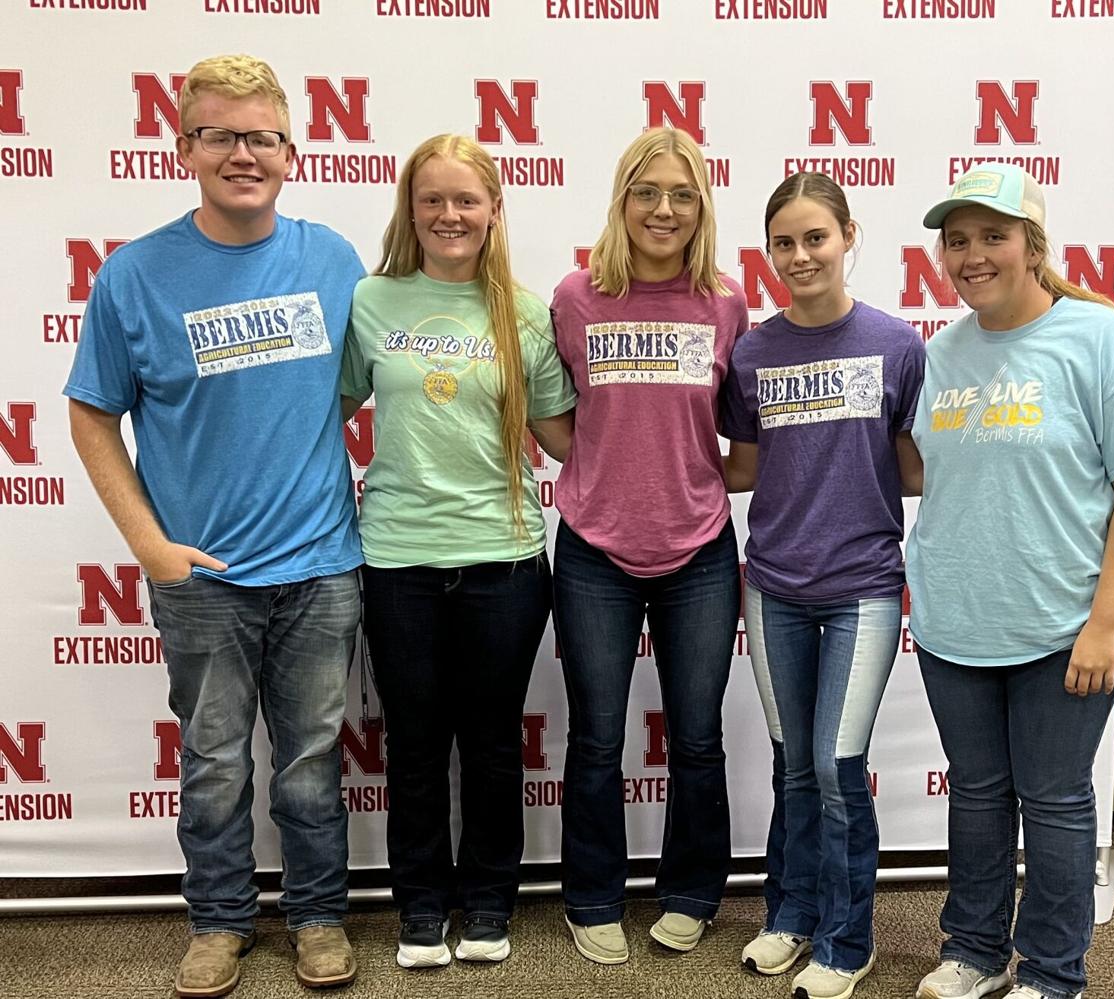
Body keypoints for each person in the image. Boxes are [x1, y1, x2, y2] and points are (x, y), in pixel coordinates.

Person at [64, 55, 364, 997]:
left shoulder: (335, 260)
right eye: (221, 135)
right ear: (184, 146)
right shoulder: (134, 276)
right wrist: (151, 546)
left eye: (262, 137)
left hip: (322, 565)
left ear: (291, 150)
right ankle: (220, 921)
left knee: (314, 761)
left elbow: (386, 380)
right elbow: (89, 413)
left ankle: (318, 916)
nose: (244, 153)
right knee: (212, 763)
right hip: (202, 576)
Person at [908, 164, 1114, 999]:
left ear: (1032, 243)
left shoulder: (1102, 340)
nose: (973, 254)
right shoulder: (941, 353)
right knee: (978, 798)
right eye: (958, 240)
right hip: (957, 622)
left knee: (1056, 801)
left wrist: (1105, 621)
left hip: (1068, 621)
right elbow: (928, 473)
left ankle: (1055, 973)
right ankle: (975, 951)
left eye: (993, 235)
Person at [340, 133, 575, 970]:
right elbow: (319, 414)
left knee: (490, 741)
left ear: (493, 210)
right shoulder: (370, 300)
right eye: (432, 199)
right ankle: (419, 906)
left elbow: (562, 434)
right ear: (411, 207)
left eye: (466, 200)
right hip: (397, 556)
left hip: (502, 559)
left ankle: (487, 903)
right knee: (412, 741)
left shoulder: (525, 310)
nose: (449, 214)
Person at [722, 172, 924, 999]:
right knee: (792, 764)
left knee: (838, 764)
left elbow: (914, 468)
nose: (800, 255)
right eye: (784, 242)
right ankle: (791, 914)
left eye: (816, 237)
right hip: (771, 584)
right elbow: (743, 465)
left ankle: (848, 938)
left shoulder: (899, 344)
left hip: (863, 588)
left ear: (848, 237)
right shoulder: (752, 352)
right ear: (768, 252)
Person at [550, 127, 749, 965]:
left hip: (700, 546)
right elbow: (558, 422)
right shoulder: (575, 296)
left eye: (681, 194)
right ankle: (592, 895)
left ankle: (693, 891)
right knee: (597, 733)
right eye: (646, 191)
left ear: (700, 205)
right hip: (594, 547)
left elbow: (742, 437)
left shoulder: (726, 303)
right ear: (621, 200)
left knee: (697, 732)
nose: (663, 209)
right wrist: (604, 472)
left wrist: (692, 477)